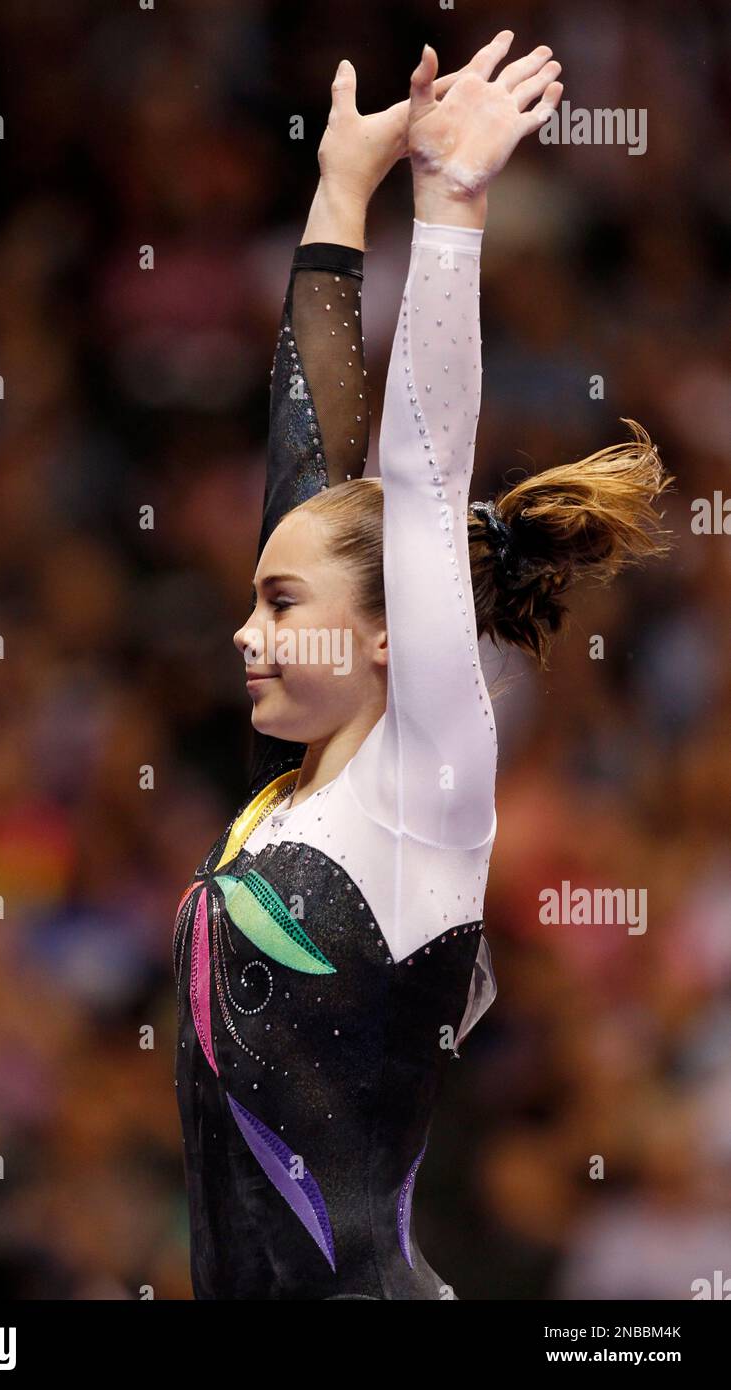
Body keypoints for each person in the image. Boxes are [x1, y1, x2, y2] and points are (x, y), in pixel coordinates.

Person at [172, 31, 671, 1300]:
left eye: (280, 606)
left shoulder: (422, 789)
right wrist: (338, 192)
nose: (245, 632)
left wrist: (449, 210)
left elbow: (422, 474)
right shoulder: (286, 792)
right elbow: (306, 462)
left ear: (390, 632)